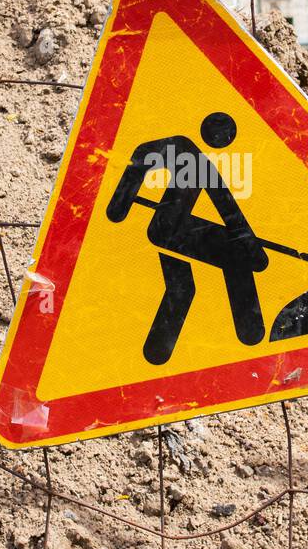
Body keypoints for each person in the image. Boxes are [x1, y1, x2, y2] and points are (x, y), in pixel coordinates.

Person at [106, 112, 267, 365]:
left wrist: (248, 242)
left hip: (171, 230)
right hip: (166, 229)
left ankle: (158, 352)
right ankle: (249, 329)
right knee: (222, 264)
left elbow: (221, 197)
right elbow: (140, 160)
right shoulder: (181, 148)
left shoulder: (196, 157)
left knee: (187, 285)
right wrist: (119, 207)